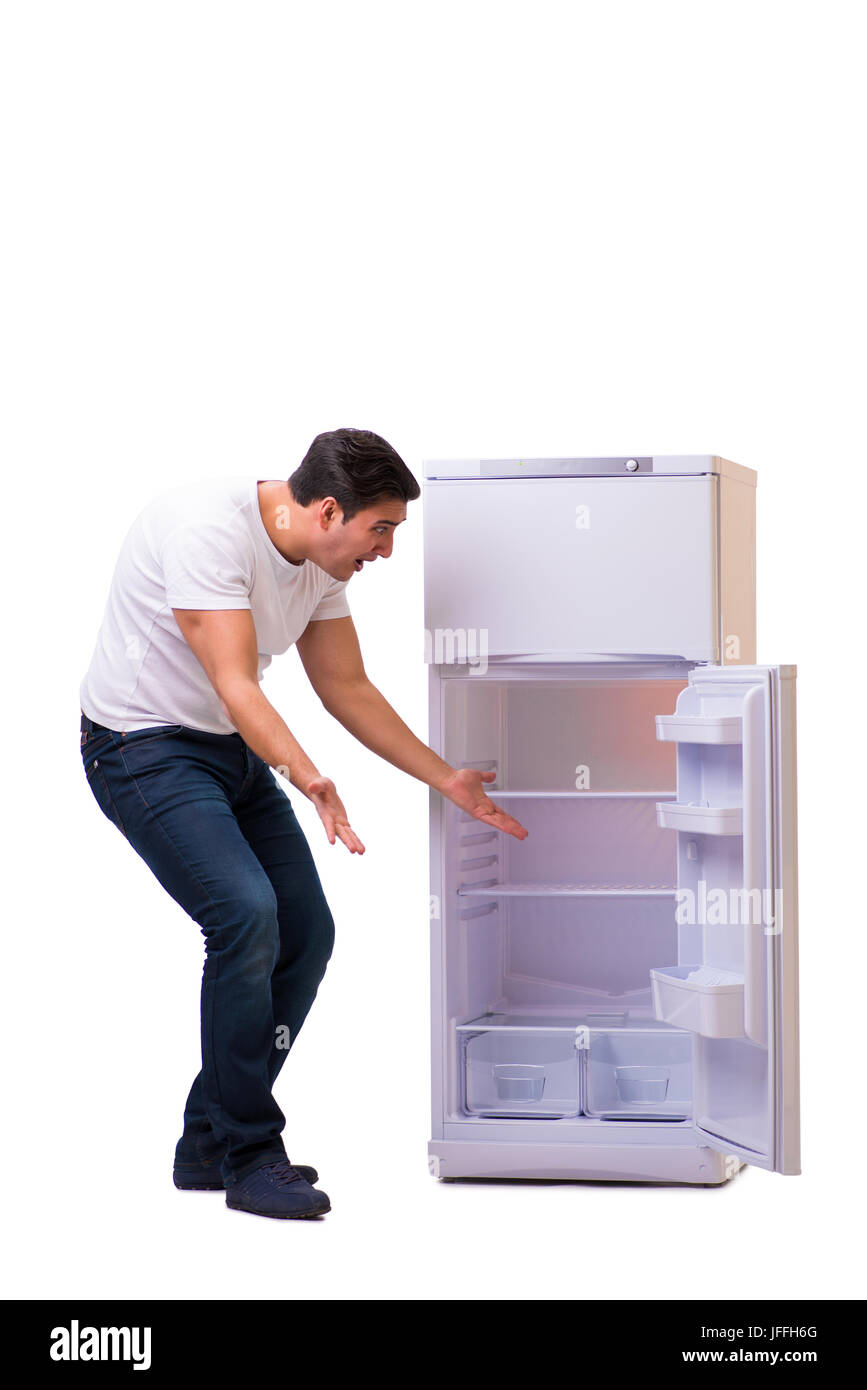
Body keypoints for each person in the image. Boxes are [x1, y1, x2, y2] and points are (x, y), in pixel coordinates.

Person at [79, 426, 528, 1221]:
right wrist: (308, 775)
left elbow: (345, 686)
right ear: (328, 510)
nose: (385, 550)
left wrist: (444, 776)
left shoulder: (322, 563)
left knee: (306, 931)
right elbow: (235, 681)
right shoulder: (205, 533)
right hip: (140, 747)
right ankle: (251, 1154)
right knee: (246, 916)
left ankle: (205, 1143)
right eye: (380, 529)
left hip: (230, 749)